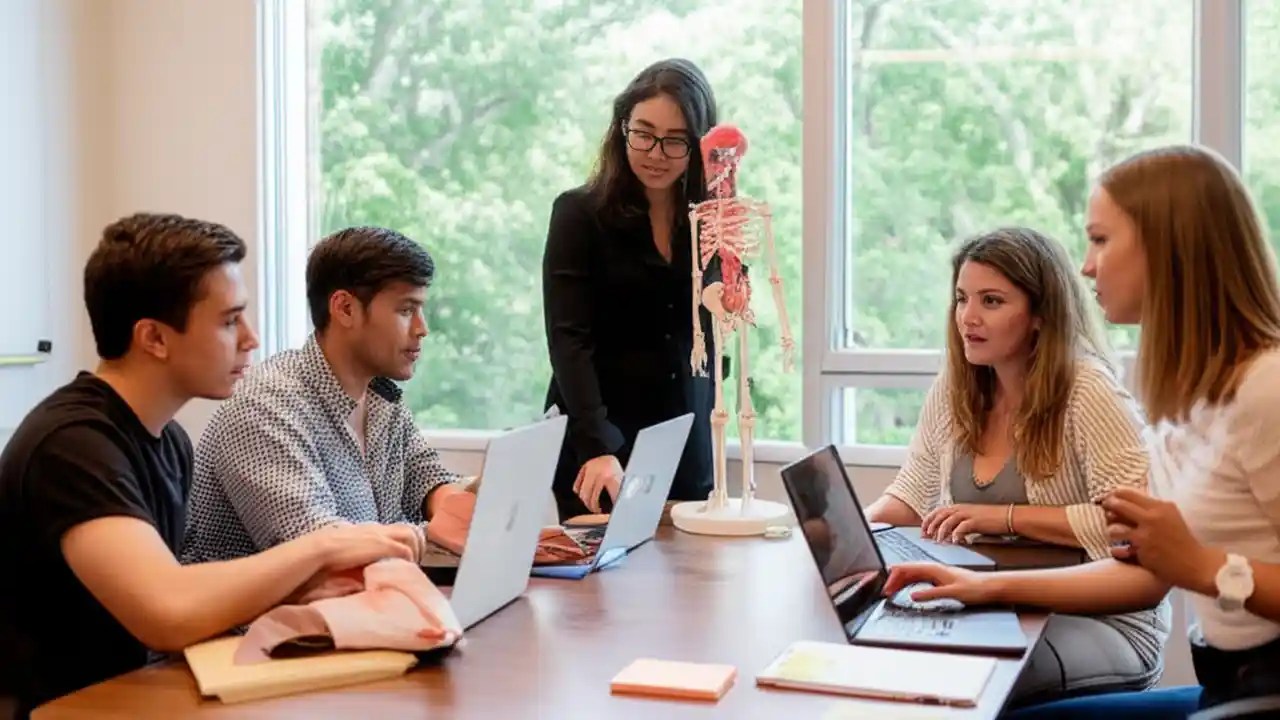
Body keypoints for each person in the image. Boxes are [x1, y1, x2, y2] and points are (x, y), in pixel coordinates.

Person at [884, 145, 1280, 718]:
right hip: (1225, 680)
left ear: (1170, 249)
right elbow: (1142, 573)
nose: (1087, 266)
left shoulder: (1265, 388)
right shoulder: (1188, 400)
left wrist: (1200, 566)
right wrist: (980, 588)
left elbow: (1169, 570)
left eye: (1100, 240)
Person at [0, 214, 414, 718]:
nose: (251, 338)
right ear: (154, 338)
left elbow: (184, 594)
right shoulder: (71, 447)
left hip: (150, 693)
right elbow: (168, 612)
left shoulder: (169, 440)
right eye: (228, 320)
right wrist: (321, 546)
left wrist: (297, 589)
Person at [864, 227, 1169, 706]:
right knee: (881, 651)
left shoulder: (1088, 391)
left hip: (1101, 620)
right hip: (999, 597)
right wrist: (848, 535)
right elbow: (908, 495)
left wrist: (1002, 517)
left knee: (951, 681)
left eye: (991, 301)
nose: (969, 317)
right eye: (962, 299)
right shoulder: (956, 388)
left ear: (1039, 315)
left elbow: (1131, 530)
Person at [181, 226, 476, 567]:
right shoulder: (265, 405)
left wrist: (449, 500)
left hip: (367, 604)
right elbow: (321, 549)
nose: (422, 328)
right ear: (345, 308)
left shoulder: (380, 397)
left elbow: (424, 477)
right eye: (406, 310)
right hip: (271, 617)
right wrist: (438, 535)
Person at [542, 58, 719, 520]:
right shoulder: (579, 215)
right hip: (602, 449)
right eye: (643, 132)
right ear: (622, 129)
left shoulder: (708, 222)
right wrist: (597, 446)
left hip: (686, 449)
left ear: (698, 145)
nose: (656, 152)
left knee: (693, 587)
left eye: (675, 140)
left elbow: (712, 336)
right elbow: (568, 342)